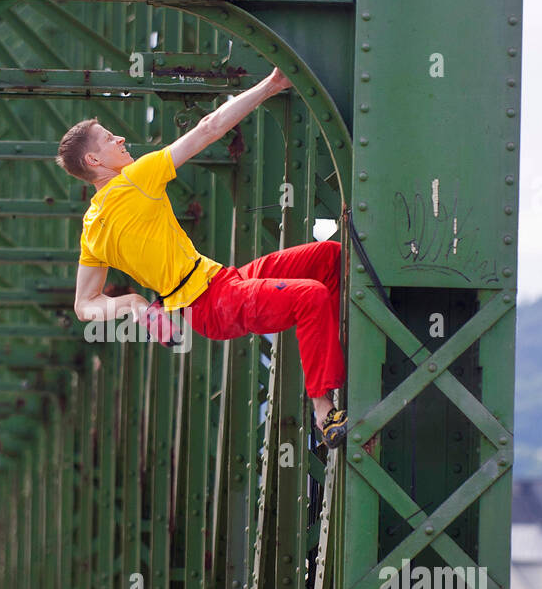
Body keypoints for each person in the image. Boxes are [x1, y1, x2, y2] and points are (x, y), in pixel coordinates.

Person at [56, 66, 347, 447]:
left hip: (222, 282)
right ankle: (323, 407)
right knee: (309, 296)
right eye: (110, 139)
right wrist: (271, 84)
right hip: (213, 302)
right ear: (95, 161)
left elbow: (84, 306)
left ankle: (337, 351)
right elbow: (209, 127)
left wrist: (135, 304)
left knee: (328, 256)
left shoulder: (92, 230)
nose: (121, 138)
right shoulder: (135, 178)